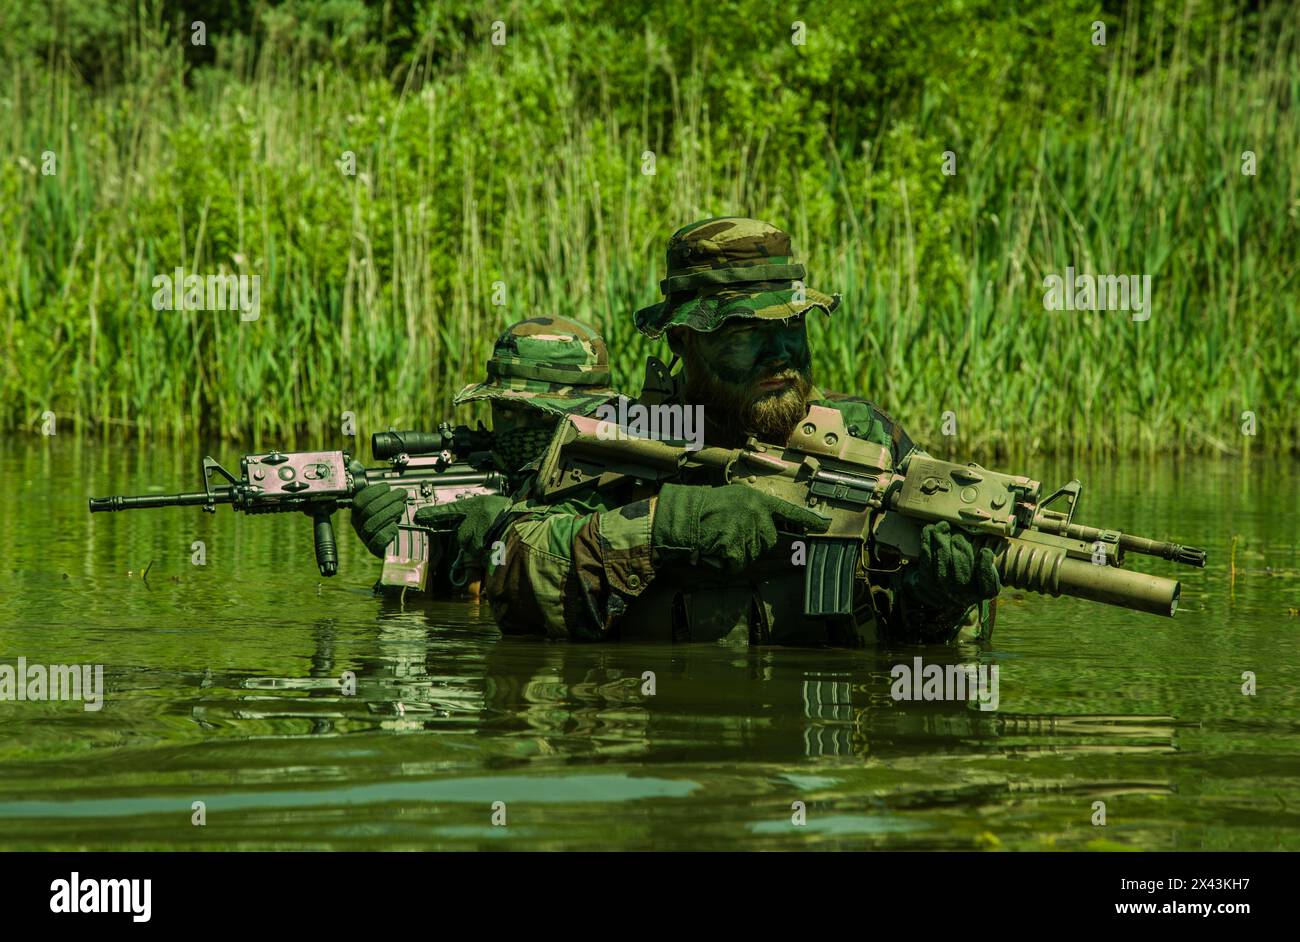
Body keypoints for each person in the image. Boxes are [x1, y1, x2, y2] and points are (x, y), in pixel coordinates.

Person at [484, 218, 1000, 645]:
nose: (780, 354)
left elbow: (942, 636)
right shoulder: (624, 434)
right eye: (748, 332)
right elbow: (509, 573)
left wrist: (939, 601)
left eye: (792, 326)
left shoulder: (866, 437)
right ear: (684, 339)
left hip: (815, 742)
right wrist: (664, 528)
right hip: (662, 737)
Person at [349, 316, 621, 594]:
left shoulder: (610, 495)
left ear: (588, 415)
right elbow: (413, 616)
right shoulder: (477, 481)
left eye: (539, 413)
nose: (517, 425)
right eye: (503, 408)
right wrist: (411, 558)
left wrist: (505, 527)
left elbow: (591, 594)